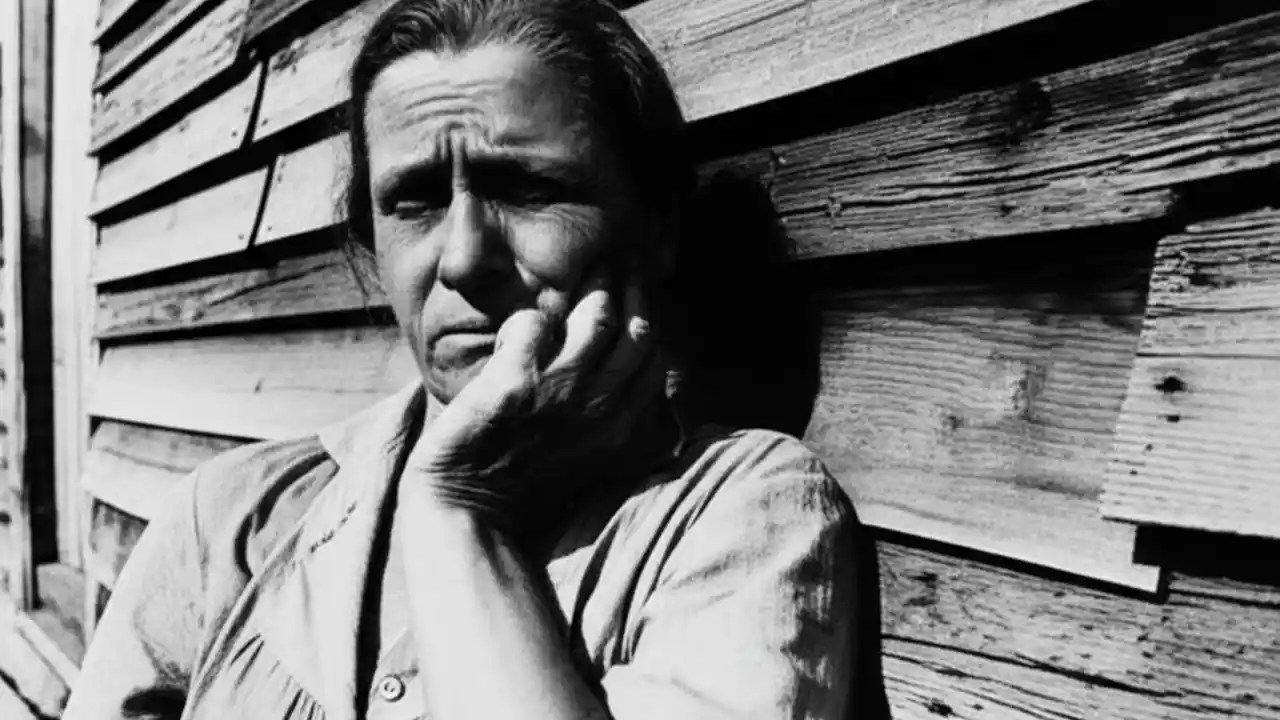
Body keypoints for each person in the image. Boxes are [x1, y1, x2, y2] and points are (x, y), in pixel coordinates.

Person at [64, 0, 888, 718]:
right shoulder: (231, 520)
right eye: (414, 201)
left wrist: (462, 513)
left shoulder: (744, 519)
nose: (463, 258)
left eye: (528, 188)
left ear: (656, 226)